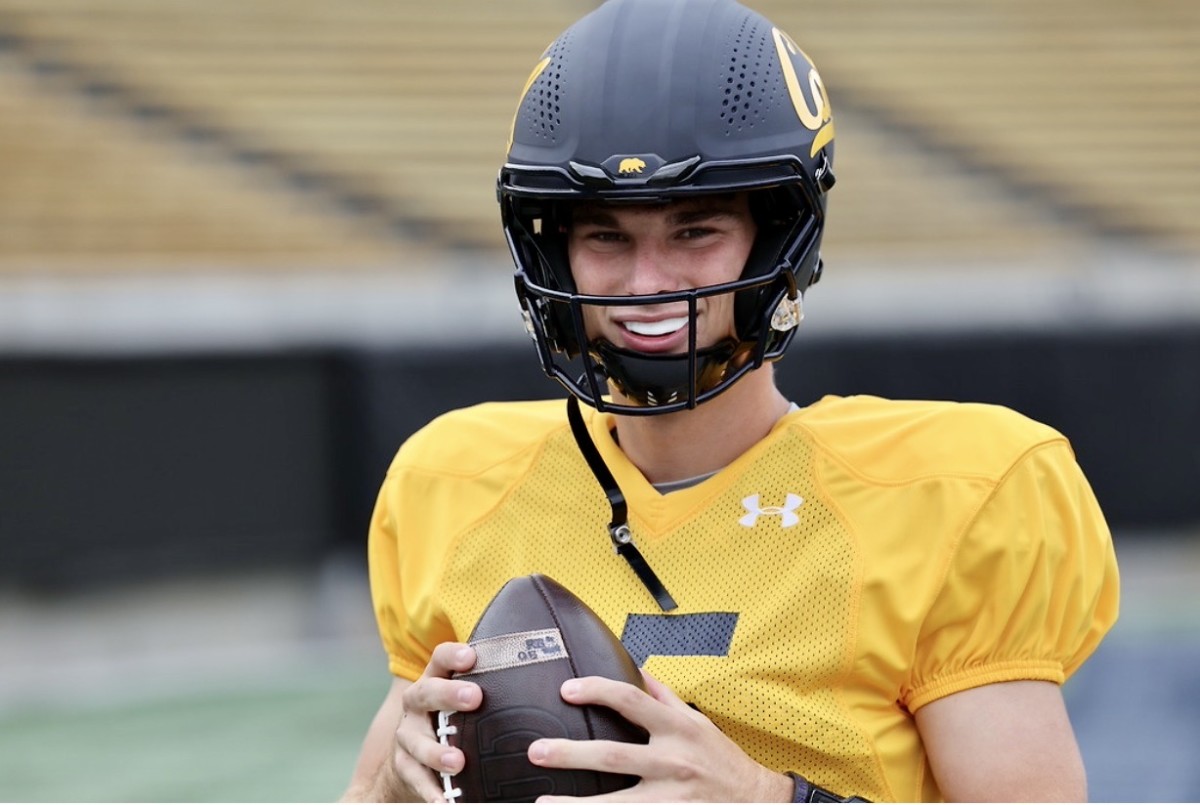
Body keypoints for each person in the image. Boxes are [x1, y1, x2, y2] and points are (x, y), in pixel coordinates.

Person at [342, 0, 1119, 801]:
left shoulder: (952, 492)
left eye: (695, 230)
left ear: (777, 236)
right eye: (606, 236)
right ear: (557, 251)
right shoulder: (457, 480)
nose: (647, 285)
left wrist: (764, 795)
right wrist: (397, 788)